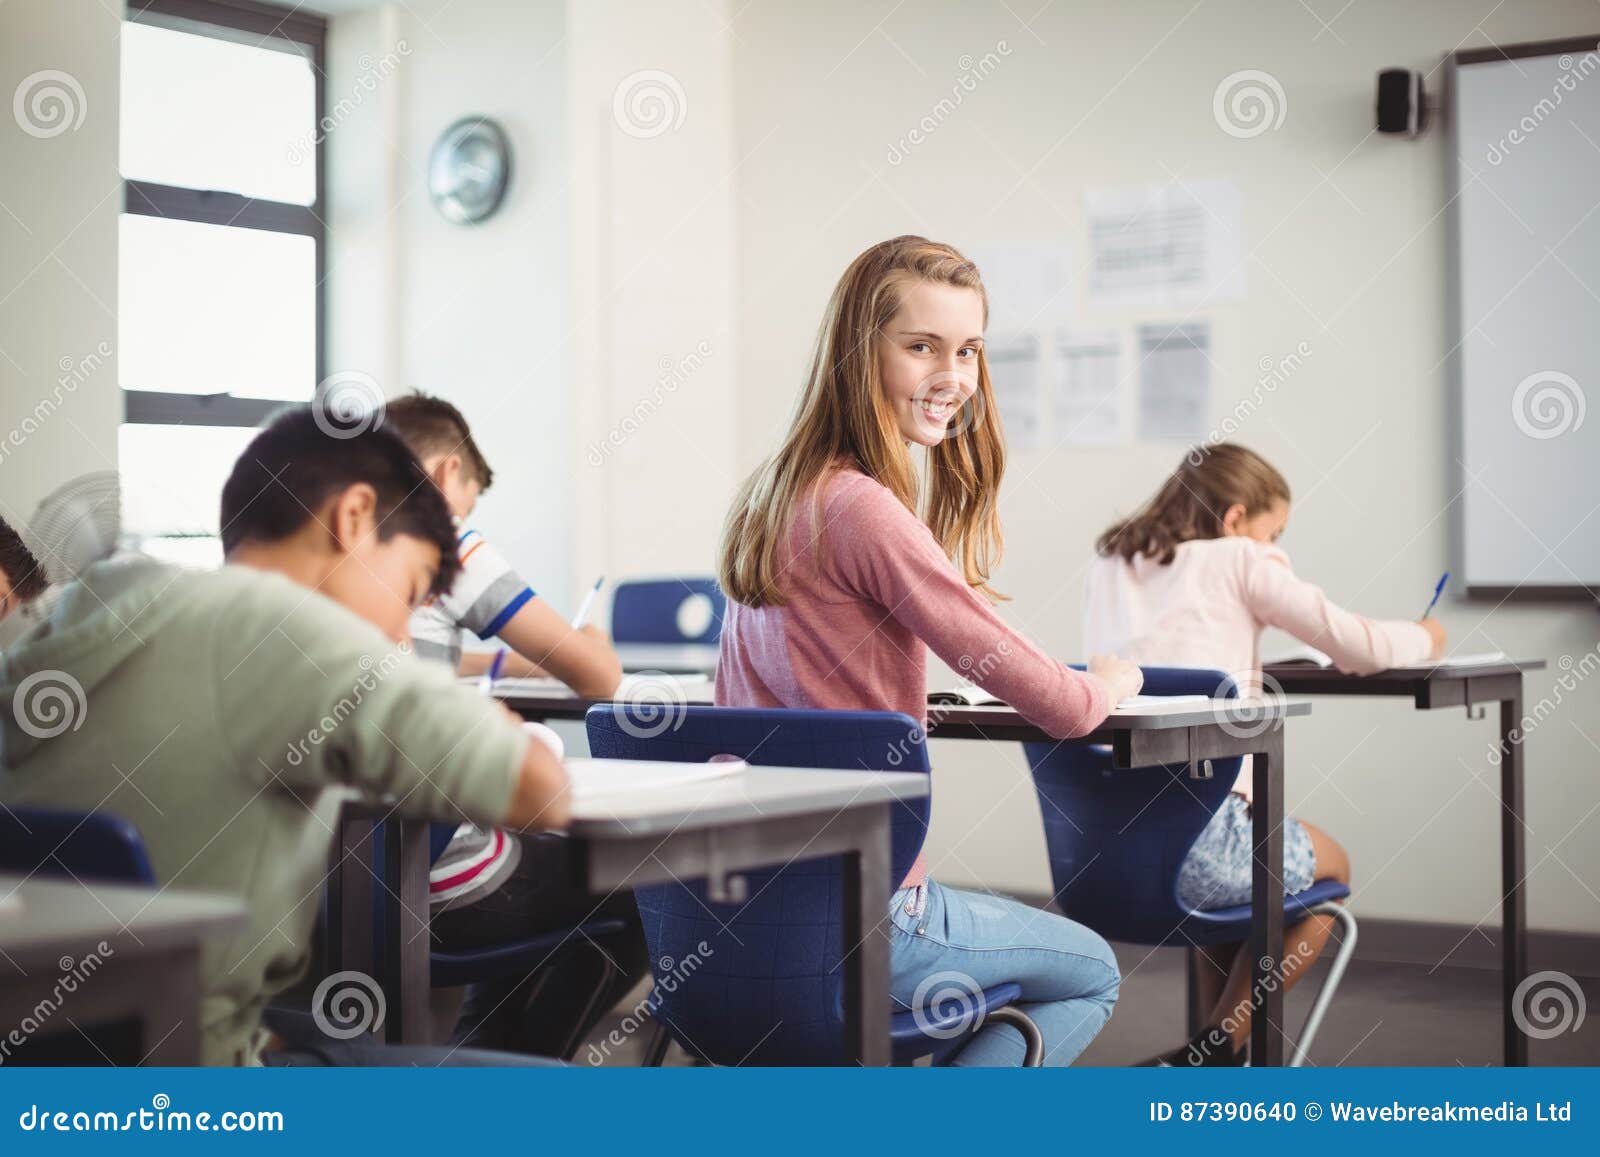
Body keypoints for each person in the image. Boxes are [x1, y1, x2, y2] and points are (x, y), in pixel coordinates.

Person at [0, 408, 570, 1065]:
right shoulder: (278, 627)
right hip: (202, 1094)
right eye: (408, 587)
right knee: (570, 1095)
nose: (402, 633)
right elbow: (538, 788)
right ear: (353, 516)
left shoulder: (70, 620)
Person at [716, 235, 1142, 1066]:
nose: (954, 375)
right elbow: (1064, 706)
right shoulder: (863, 509)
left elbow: (795, 689)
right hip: (866, 913)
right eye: (921, 347)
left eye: (970, 350)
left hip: (737, 911)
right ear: (857, 355)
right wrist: (1114, 677)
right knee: (1092, 971)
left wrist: (898, 708)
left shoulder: (773, 492)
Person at [1083, 441, 1445, 1065]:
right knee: (1329, 875)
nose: (1276, 547)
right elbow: (1359, 646)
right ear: (1234, 519)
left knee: (1251, 876)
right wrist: (1426, 635)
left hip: (1107, 854)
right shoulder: (1239, 559)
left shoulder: (1112, 565)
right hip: (1201, 851)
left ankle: (1214, 1050)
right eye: (1273, 532)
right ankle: (1220, 1046)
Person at [383, 391, 646, 1058]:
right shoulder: (442, 538)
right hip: (431, 880)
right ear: (445, 476)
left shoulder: (324, 543)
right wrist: (592, 644)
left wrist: (510, 662)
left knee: (535, 855)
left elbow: (412, 647)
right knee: (649, 887)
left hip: (321, 893)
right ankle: (515, 1080)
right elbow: (600, 679)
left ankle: (480, 1063)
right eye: (467, 501)